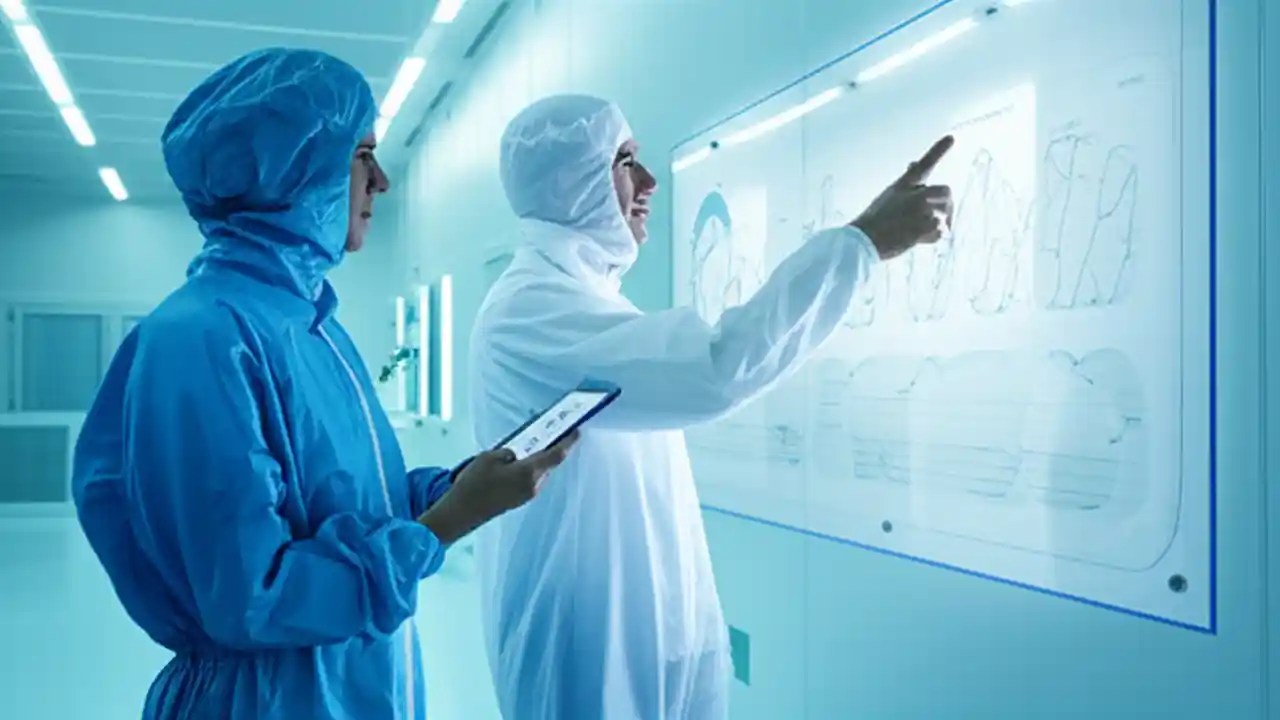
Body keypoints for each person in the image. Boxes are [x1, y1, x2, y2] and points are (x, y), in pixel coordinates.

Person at [70, 48, 577, 720]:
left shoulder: (311, 324)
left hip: (349, 682)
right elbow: (251, 596)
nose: (381, 182)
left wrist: (450, 488)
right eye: (363, 155)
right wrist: (449, 522)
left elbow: (345, 502)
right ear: (292, 169)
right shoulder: (201, 339)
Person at [468, 93, 953, 719]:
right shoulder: (531, 309)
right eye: (625, 162)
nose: (650, 182)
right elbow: (718, 367)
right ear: (573, 182)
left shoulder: (587, 300)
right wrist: (862, 244)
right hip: (584, 640)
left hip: (641, 628)